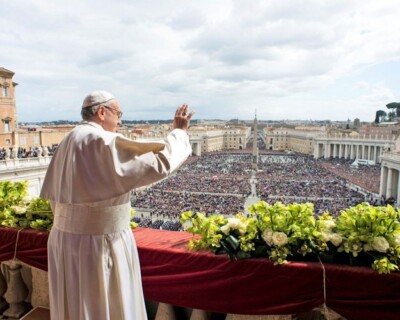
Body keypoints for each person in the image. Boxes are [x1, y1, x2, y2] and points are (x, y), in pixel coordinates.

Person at [40, 90, 194, 320]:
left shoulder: (67, 140)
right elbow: (159, 163)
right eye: (118, 113)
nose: (121, 121)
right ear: (102, 112)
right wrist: (179, 132)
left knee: (73, 305)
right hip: (99, 243)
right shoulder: (101, 141)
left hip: (64, 239)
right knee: (106, 305)